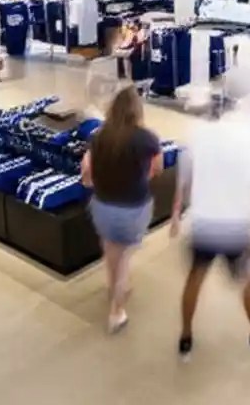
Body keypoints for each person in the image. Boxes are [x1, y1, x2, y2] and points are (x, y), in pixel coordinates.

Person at [170, 72, 250, 359]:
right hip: (236, 225)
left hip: (204, 222)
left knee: (195, 278)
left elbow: (185, 177)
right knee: (247, 279)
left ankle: (185, 336)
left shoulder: (200, 134)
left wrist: (176, 214)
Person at [81, 88, 163, 332]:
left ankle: (113, 285)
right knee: (124, 258)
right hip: (133, 208)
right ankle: (117, 310)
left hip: (102, 206)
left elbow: (87, 170)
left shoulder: (100, 136)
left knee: (110, 249)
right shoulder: (147, 138)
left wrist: (96, 182)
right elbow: (157, 168)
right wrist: (141, 177)